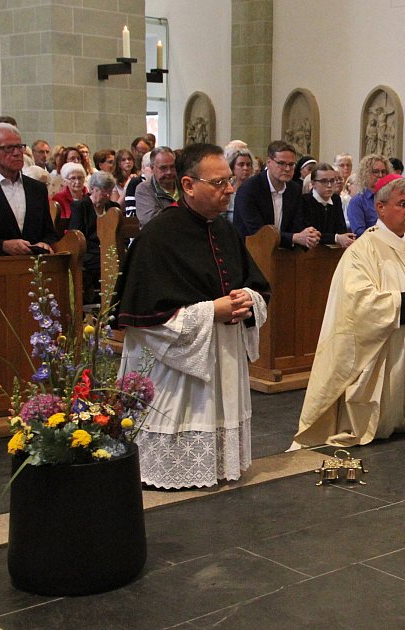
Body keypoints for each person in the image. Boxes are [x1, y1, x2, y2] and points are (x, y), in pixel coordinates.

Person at [113, 143, 271, 489]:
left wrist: (248, 299)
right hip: (176, 367)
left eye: (230, 181)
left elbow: (256, 285)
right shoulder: (157, 236)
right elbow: (146, 317)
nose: (229, 189)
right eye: (219, 183)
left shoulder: (225, 230)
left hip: (221, 353)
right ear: (188, 185)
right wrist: (212, 310)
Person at [294, 174, 405, 448]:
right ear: (380, 208)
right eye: (403, 204)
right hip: (387, 348)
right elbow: (357, 302)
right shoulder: (363, 251)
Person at [0, 123, 57, 257]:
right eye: (8, 148)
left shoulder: (37, 189)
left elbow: (49, 233)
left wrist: (44, 243)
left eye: (19, 147)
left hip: (34, 267)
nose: (17, 153)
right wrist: (3, 246)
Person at [233, 141, 318, 247]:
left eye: (291, 164)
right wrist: (293, 238)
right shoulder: (249, 189)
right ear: (269, 162)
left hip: (283, 254)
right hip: (250, 252)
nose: (287, 169)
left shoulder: (294, 189)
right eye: (281, 163)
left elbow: (297, 225)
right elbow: (257, 232)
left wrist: (309, 234)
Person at [67, 170, 118, 305]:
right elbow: (75, 235)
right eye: (103, 191)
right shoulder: (80, 207)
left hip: (110, 250)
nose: (107, 195)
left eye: (109, 191)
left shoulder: (114, 208)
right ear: (93, 189)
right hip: (89, 252)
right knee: (108, 263)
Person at [296, 163, 354, 248]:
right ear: (313, 183)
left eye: (332, 180)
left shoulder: (336, 199)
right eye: (324, 181)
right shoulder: (305, 201)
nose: (329, 185)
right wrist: (336, 238)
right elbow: (311, 234)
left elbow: (341, 229)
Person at [346, 153, 390, 235]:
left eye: (383, 172)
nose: (380, 175)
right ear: (365, 174)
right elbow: (359, 232)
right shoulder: (357, 201)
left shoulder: (391, 198)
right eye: (375, 172)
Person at [134, 146, 179, 226]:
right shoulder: (144, 189)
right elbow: (152, 221)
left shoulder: (184, 186)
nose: (169, 172)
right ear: (152, 168)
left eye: (172, 167)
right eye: (163, 168)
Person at [223, 146, 254, 226]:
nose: (245, 168)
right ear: (233, 167)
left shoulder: (256, 189)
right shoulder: (227, 190)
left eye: (248, 165)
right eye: (241, 164)